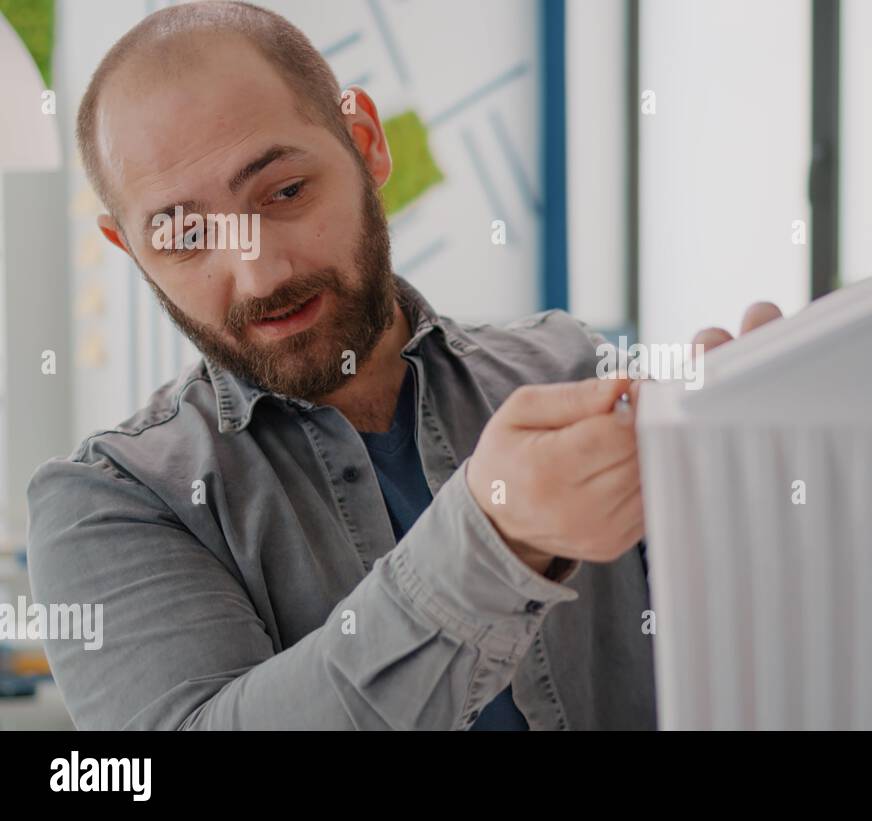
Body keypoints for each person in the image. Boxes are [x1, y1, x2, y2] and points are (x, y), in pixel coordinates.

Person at [25, 0, 781, 729]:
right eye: (184, 235)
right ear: (132, 251)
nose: (258, 275)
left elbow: (748, 652)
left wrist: (772, 470)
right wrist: (493, 539)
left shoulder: (568, 368)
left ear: (366, 145)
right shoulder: (109, 502)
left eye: (285, 191)